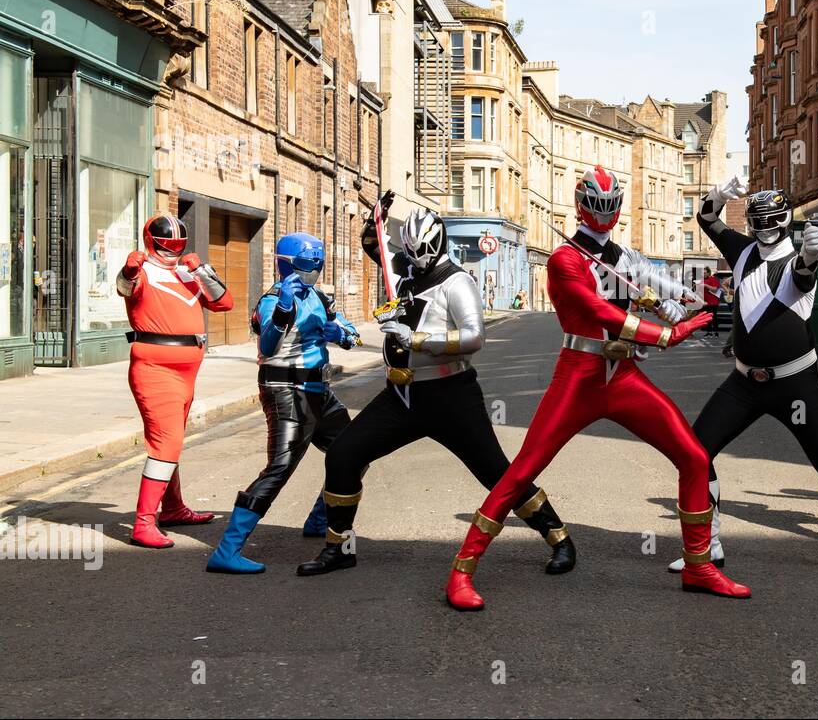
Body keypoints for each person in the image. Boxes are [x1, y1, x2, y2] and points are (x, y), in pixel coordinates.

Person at [443, 166, 746, 610]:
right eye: (598, 207)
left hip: (621, 376)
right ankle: (461, 570)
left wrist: (698, 300)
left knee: (694, 457)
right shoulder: (565, 259)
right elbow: (598, 311)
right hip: (580, 376)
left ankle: (699, 565)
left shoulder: (627, 259)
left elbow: (670, 294)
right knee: (522, 471)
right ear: (584, 207)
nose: (604, 215)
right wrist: (665, 334)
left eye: (610, 207)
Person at [298, 196, 576, 577]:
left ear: (438, 244)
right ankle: (339, 547)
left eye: (422, 253)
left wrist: (416, 339)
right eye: (412, 255)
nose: (416, 261)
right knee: (344, 454)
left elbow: (474, 338)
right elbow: (376, 246)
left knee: (495, 471)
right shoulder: (407, 270)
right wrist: (373, 220)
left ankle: (558, 537)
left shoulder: (457, 281)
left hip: (450, 396)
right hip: (402, 395)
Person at [665, 178, 818, 580]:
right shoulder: (742, 251)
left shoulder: (795, 262)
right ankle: (706, 544)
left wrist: (812, 255)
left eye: (771, 221)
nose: (764, 229)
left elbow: (803, 275)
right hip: (743, 383)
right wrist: (720, 193)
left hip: (795, 384)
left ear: (786, 221)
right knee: (695, 453)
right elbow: (705, 218)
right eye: (758, 222)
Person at [206, 233, 360, 574]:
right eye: (308, 263)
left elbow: (351, 335)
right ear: (288, 263)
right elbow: (269, 345)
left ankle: (322, 518)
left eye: (318, 263)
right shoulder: (273, 299)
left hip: (320, 391)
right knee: (280, 467)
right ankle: (227, 549)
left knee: (354, 452)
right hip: (287, 390)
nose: (314, 270)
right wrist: (283, 312)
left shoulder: (319, 297)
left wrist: (340, 332)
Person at [116, 215, 234, 548]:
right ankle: (142, 524)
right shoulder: (142, 272)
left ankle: (173, 507)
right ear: (151, 241)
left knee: (173, 441)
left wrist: (201, 272)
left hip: (188, 370)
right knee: (167, 442)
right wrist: (128, 270)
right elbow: (125, 288)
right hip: (154, 367)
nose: (172, 250)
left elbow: (224, 303)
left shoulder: (187, 273)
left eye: (178, 245)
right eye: (167, 245)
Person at [701, 267, 722, 337]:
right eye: (702, 273)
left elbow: (715, 289)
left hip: (713, 302)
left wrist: (705, 285)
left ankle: (716, 332)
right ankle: (709, 332)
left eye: (705, 273)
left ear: (708, 273)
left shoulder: (713, 279)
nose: (703, 274)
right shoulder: (702, 280)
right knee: (707, 317)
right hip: (706, 302)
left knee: (713, 317)